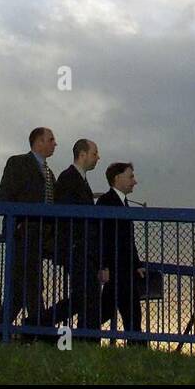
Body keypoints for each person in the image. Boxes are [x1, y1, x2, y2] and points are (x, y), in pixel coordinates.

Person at [0, 127, 59, 339]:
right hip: (23, 234)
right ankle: (41, 333)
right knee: (31, 284)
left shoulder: (49, 173)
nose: (54, 144)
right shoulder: (18, 163)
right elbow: (4, 194)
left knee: (20, 290)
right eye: (51, 140)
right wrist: (19, 223)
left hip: (40, 236)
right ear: (38, 142)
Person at [50, 139, 110, 330]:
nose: (98, 157)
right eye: (94, 153)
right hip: (77, 248)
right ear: (82, 154)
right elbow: (68, 216)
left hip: (80, 248)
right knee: (87, 295)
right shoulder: (69, 178)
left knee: (83, 296)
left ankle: (37, 324)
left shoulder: (78, 179)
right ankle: (87, 337)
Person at [97, 162, 146, 346]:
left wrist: (136, 264)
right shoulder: (106, 202)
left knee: (126, 312)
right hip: (116, 269)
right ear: (117, 178)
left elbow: (127, 240)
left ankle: (81, 337)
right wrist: (104, 266)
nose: (134, 181)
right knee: (120, 312)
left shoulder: (120, 202)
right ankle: (81, 336)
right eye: (130, 176)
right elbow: (103, 237)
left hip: (123, 270)